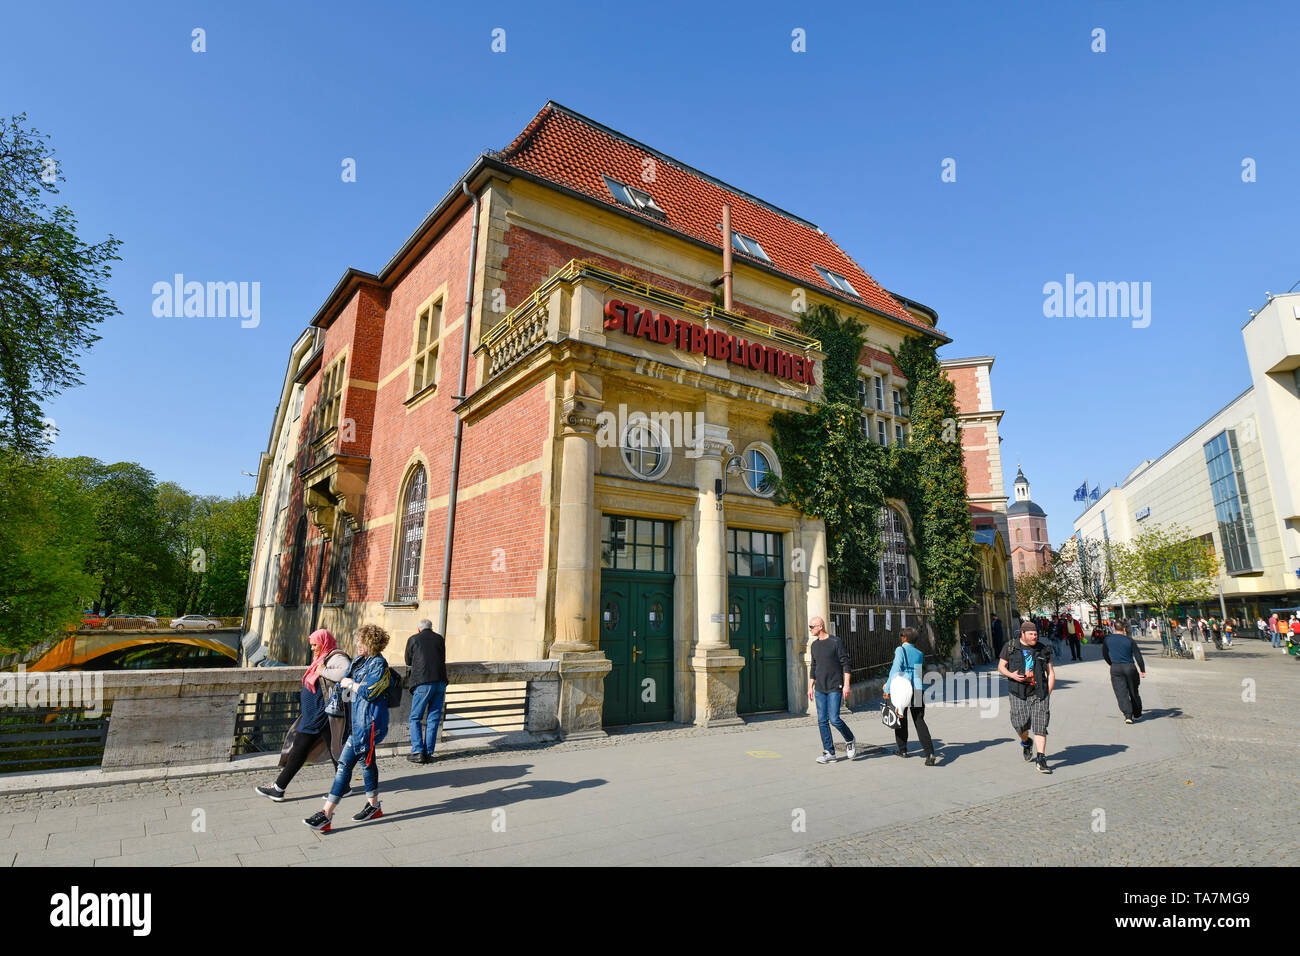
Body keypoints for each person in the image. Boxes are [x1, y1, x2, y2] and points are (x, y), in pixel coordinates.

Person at [304, 624, 393, 833]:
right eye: (358, 641)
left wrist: (350, 684)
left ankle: (326, 814)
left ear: (371, 643)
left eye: (361, 642)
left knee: (344, 765)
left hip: (368, 724)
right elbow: (346, 682)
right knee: (367, 763)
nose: (358, 645)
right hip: (356, 721)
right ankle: (373, 806)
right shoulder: (360, 660)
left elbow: (371, 691)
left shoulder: (378, 664)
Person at [256, 629, 351, 802]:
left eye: (315, 644)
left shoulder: (336, 656)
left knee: (300, 749)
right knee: (334, 750)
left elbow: (346, 672)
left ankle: (279, 788)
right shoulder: (322, 657)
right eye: (312, 645)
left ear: (324, 642)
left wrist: (322, 671)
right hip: (314, 713)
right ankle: (344, 786)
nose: (313, 648)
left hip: (319, 714)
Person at [997, 621, 1055, 774]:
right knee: (1019, 723)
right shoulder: (1010, 647)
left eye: (1036, 634)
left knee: (1040, 725)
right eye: (1031, 634)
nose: (1034, 636)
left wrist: (1047, 692)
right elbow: (1001, 666)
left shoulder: (1043, 649)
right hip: (1018, 692)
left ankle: (1041, 758)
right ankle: (1026, 742)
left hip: (1039, 692)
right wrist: (1011, 675)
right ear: (1022, 633)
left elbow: (1051, 672)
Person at [883, 627, 936, 765]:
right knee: (919, 721)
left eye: (901, 635)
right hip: (918, 689)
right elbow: (917, 674)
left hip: (902, 689)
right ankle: (929, 752)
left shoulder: (900, 650)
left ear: (904, 638)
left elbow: (895, 669)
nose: (900, 638)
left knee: (901, 717)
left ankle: (903, 750)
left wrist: (887, 688)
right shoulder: (919, 653)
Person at [807, 616, 855, 763]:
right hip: (820, 688)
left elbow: (845, 664)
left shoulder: (835, 641)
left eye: (812, 626)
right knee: (822, 720)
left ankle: (849, 738)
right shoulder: (814, 645)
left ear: (820, 626)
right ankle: (829, 752)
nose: (810, 629)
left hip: (835, 685)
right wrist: (810, 687)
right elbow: (814, 667)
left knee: (834, 719)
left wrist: (846, 684)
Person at [405, 618, 448, 764]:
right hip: (440, 682)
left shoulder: (413, 639)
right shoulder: (439, 639)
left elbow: (408, 661)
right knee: (433, 718)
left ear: (419, 629)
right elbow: (442, 658)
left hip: (423, 682)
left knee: (415, 718)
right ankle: (429, 752)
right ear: (432, 628)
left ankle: (418, 751)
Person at [1101, 624, 1147, 723]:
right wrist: (1142, 670)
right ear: (1124, 629)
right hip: (1130, 667)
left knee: (1121, 692)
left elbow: (1105, 654)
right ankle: (1137, 713)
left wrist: (1112, 664)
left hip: (1116, 668)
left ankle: (1128, 715)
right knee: (1133, 691)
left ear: (1114, 628)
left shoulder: (1107, 640)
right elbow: (1138, 656)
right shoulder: (1130, 640)